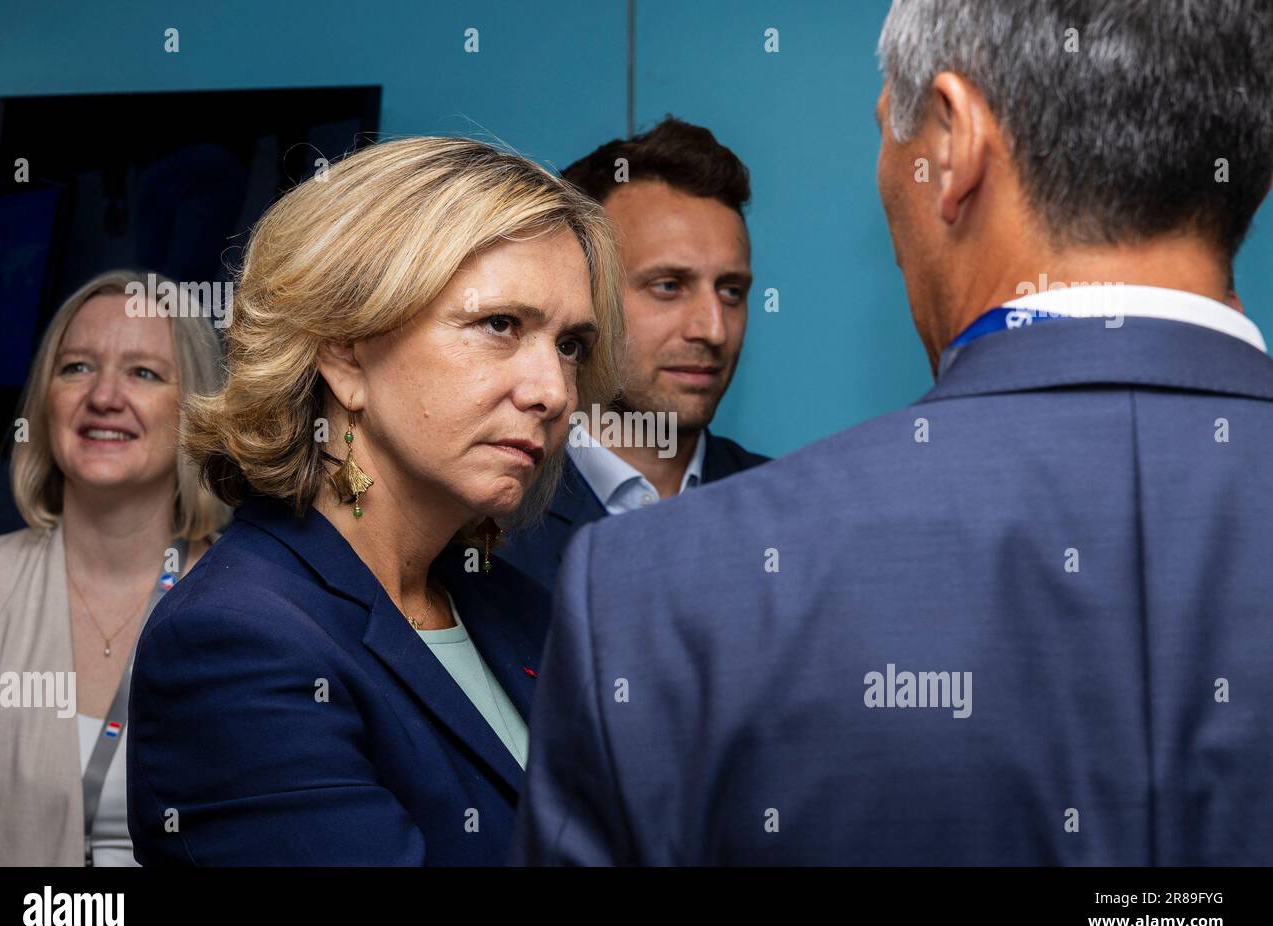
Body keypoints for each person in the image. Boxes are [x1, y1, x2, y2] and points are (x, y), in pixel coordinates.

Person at [512, 0, 1273, 865]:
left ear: (951, 144)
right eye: (666, 287)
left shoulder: (668, 586)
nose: (712, 326)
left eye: (889, 132)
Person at [125, 136, 623, 865]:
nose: (552, 391)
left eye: (570, 345)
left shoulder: (525, 610)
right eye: (499, 325)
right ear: (346, 351)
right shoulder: (235, 643)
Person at [0, 269, 228, 866]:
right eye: (77, 367)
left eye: (143, 372)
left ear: (196, 408)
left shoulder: (256, 607)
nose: (104, 397)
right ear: (44, 399)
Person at [500, 118, 769, 592]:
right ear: (581, 294)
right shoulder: (489, 523)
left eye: (731, 291)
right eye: (668, 286)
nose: (712, 328)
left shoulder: (791, 509)